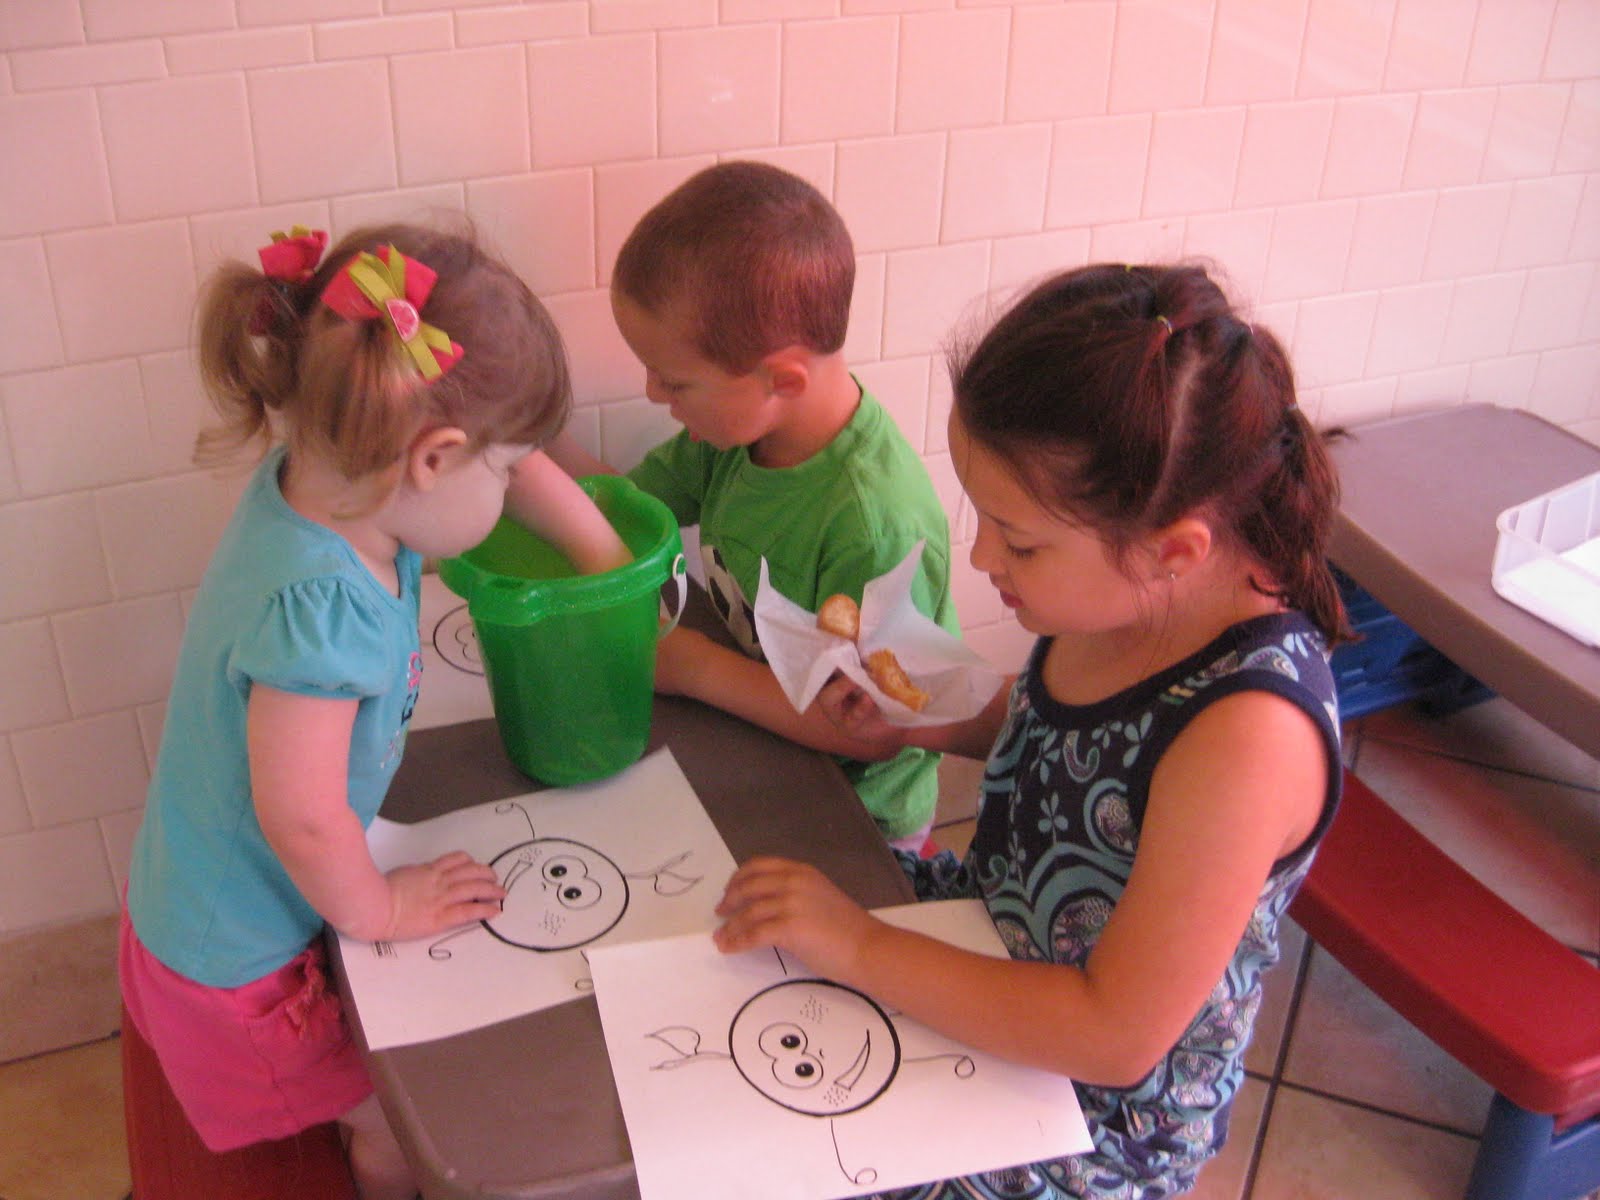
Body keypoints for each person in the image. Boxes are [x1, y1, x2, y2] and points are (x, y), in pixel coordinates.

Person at [713, 263, 1349, 1199]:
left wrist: (859, 947)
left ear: (1173, 550)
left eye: (1020, 540)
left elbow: (1114, 1034)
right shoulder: (1131, 597)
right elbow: (1058, 727)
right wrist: (919, 723)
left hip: (1093, 1112)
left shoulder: (1248, 737)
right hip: (989, 933)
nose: (981, 557)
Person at [119, 222, 630, 1200]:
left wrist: (608, 561)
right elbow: (304, 816)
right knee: (398, 1124)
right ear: (433, 460)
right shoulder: (320, 614)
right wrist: (385, 906)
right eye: (505, 466)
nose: (515, 482)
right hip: (237, 976)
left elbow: (510, 472)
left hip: (203, 910)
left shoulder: (318, 494)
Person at [545, 160, 958, 851]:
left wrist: (690, 665)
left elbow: (869, 730)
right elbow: (626, 510)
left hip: (856, 815)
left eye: (674, 381)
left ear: (782, 378)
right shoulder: (734, 435)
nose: (652, 394)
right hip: (760, 737)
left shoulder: (873, 525)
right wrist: (538, 434)